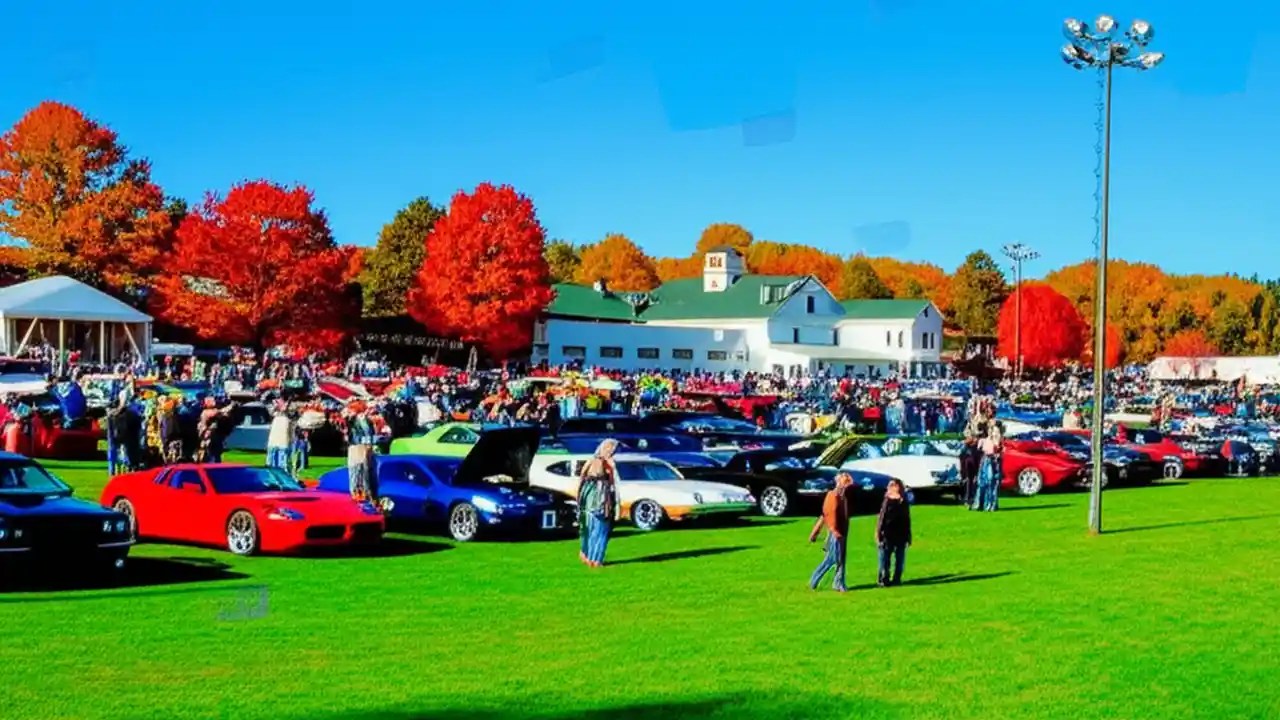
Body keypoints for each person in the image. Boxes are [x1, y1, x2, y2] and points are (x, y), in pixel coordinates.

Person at [808, 472, 852, 592]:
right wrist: (833, 530)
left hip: (842, 532)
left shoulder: (843, 497)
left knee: (842, 560)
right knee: (832, 559)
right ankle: (814, 580)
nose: (847, 486)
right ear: (839, 483)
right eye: (846, 483)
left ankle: (839, 583)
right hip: (835, 533)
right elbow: (827, 515)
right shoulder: (833, 496)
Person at [579, 439, 618, 567]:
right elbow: (612, 484)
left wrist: (580, 498)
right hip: (601, 501)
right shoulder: (608, 464)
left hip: (588, 501)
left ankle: (588, 555)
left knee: (589, 530)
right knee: (601, 531)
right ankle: (597, 559)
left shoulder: (590, 461)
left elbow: (581, 479)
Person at [875, 478, 912, 587]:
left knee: (900, 558)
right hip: (887, 534)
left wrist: (909, 535)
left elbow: (907, 519)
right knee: (885, 558)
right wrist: (878, 533)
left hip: (901, 534)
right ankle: (884, 578)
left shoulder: (903, 501)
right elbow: (881, 518)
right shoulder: (887, 501)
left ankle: (897, 578)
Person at [974, 422, 1003, 512]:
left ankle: (991, 504)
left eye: (994, 431)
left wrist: (997, 452)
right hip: (986, 461)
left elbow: (1000, 452)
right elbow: (982, 449)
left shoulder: (999, 441)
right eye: (991, 430)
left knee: (992, 483)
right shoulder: (986, 440)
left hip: (993, 462)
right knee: (982, 482)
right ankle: (980, 504)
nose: (992, 432)